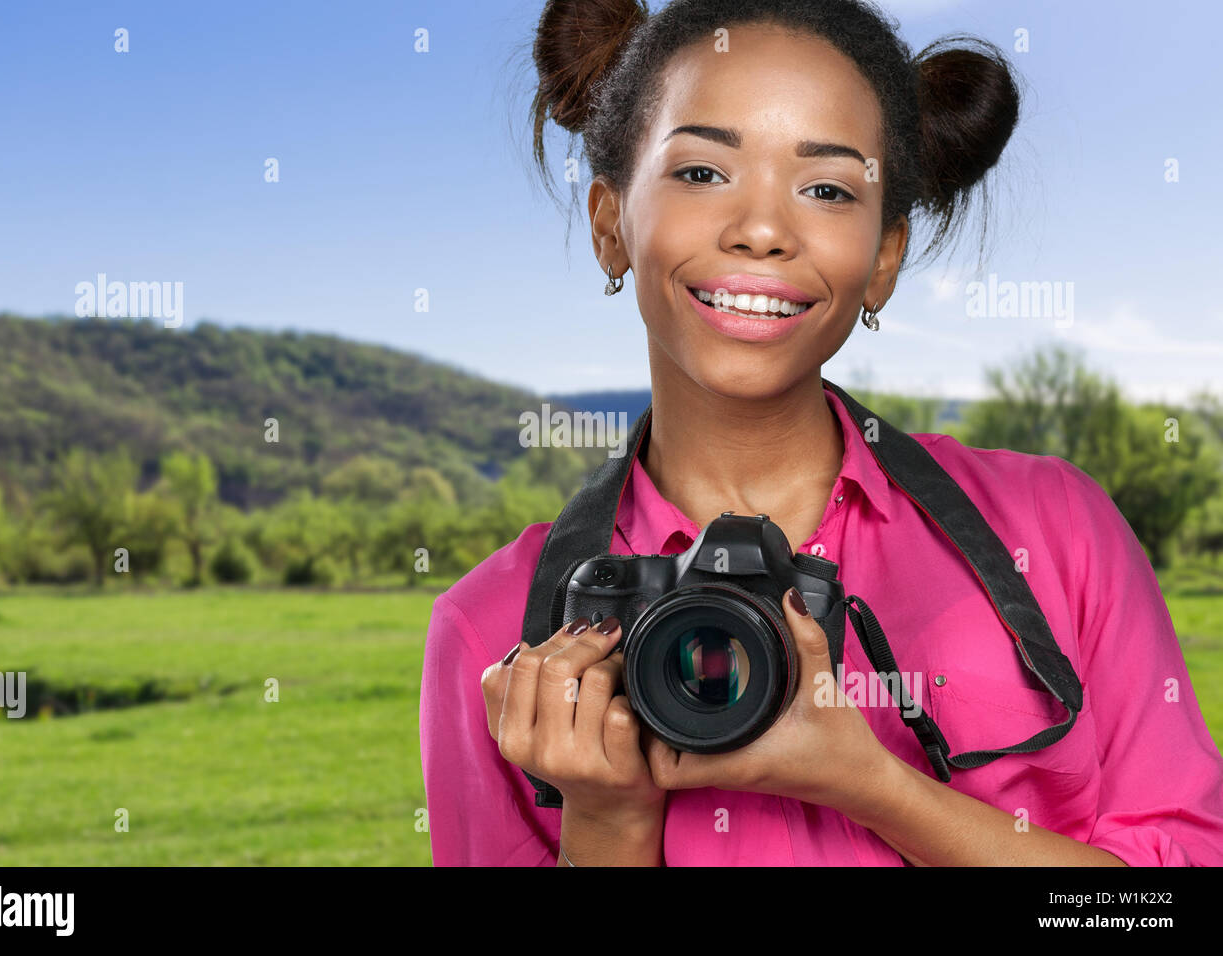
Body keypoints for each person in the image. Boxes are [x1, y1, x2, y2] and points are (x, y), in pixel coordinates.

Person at [419, 0, 1223, 866]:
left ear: (883, 258)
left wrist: (872, 784)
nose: (763, 230)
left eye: (828, 189)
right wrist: (608, 822)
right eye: (700, 172)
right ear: (610, 223)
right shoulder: (493, 630)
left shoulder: (1056, 531)